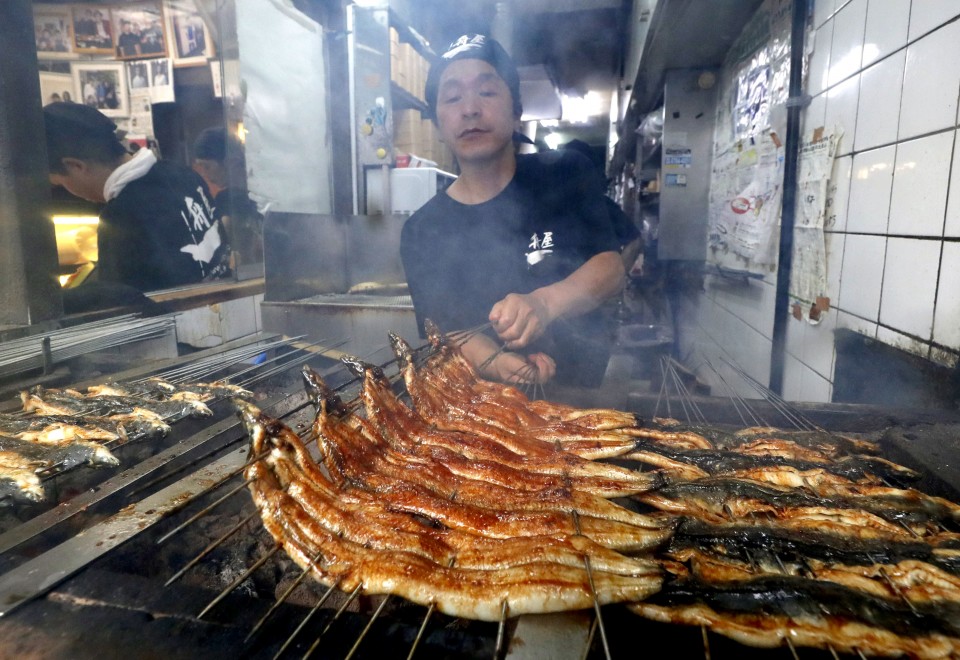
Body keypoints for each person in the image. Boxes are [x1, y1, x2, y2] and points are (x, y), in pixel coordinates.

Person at [400, 34, 625, 387]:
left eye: (487, 92)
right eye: (453, 97)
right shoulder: (422, 229)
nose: (470, 108)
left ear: (516, 110)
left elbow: (611, 269)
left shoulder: (566, 172)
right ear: (437, 125)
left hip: (582, 394)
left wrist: (544, 304)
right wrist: (495, 361)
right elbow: (447, 329)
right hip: (489, 409)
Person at [43, 102, 231, 295]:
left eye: (60, 183)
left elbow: (122, 307)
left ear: (75, 166)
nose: (68, 190)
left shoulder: (120, 216)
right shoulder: (183, 174)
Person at [192, 127, 263, 265]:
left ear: (230, 161)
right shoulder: (259, 189)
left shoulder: (227, 199)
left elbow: (217, 245)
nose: (205, 174)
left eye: (207, 167)